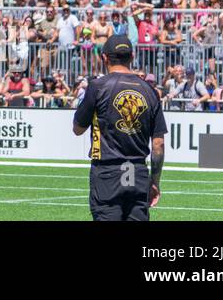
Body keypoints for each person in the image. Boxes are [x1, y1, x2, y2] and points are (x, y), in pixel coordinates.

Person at [72, 34, 167, 221]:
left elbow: (77, 129)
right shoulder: (150, 91)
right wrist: (154, 181)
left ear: (104, 58)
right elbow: (158, 145)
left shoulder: (97, 87)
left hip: (107, 171)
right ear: (132, 57)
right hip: (138, 172)